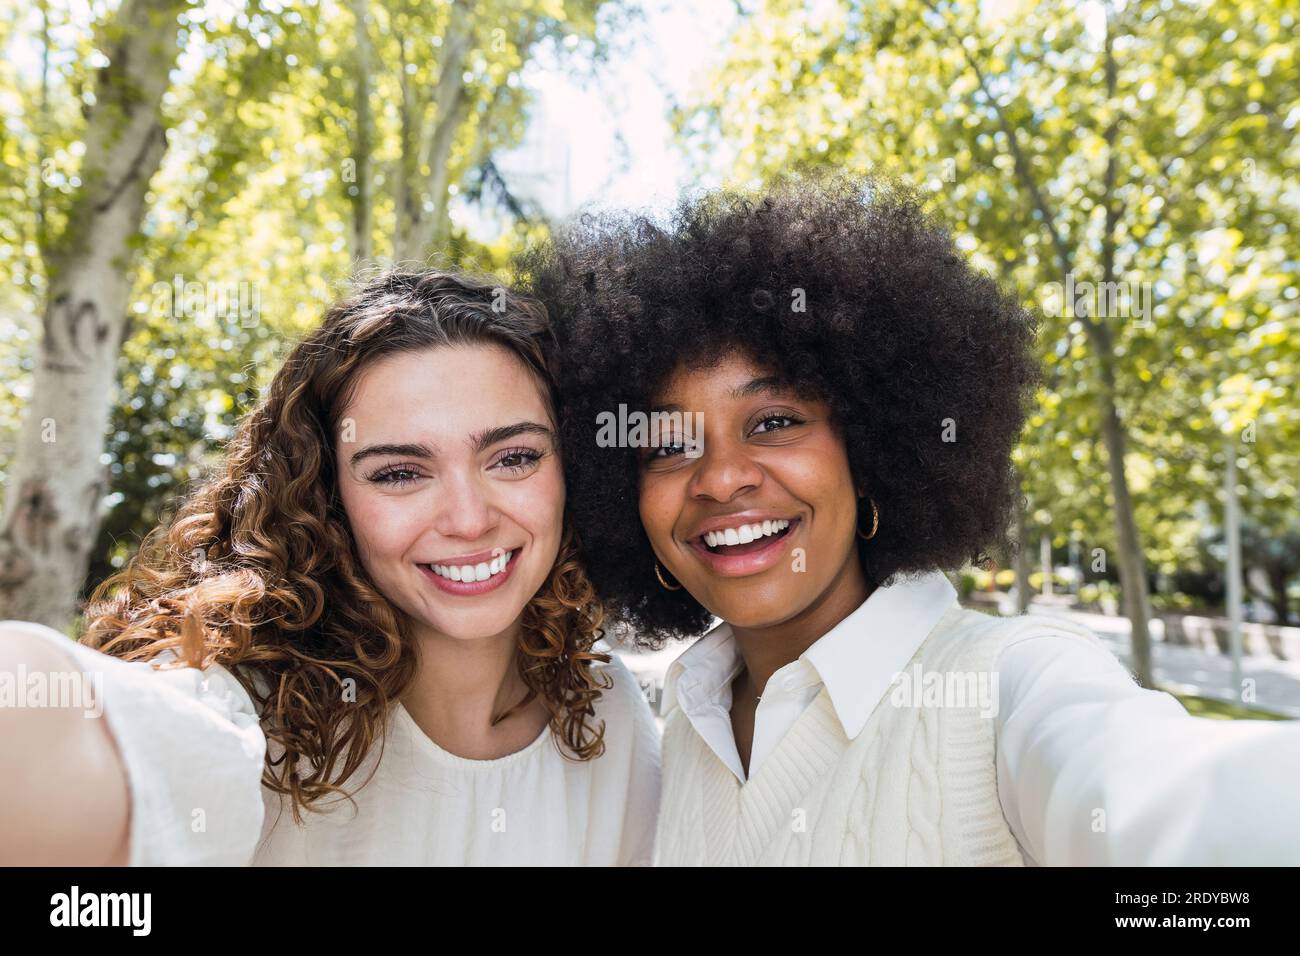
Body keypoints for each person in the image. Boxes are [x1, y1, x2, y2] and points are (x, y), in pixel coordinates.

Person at [521, 174, 1300, 865]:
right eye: (667, 444)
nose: (722, 478)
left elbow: (1174, 798)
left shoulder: (1009, 686)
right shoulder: (689, 718)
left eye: (775, 422)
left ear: (871, 449)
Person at [0, 270, 660, 866]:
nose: (468, 519)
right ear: (328, 499)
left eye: (513, 458)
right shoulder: (253, 717)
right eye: (401, 473)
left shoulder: (607, 710)